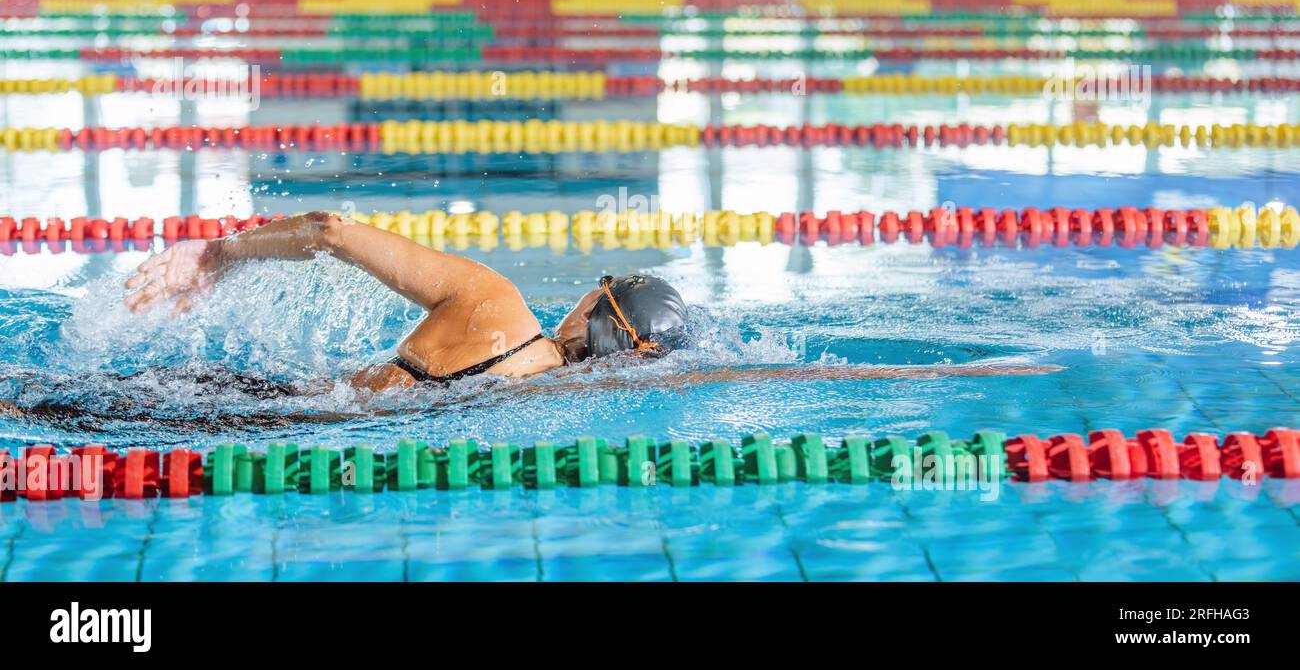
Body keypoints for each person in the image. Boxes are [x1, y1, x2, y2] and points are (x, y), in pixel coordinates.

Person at [120, 211, 1059, 397]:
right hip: (291, 441)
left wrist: (216, 257)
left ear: (594, 304)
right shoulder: (576, 395)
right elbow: (778, 369)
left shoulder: (494, 301)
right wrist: (958, 369)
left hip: (252, 403)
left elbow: (327, 228)